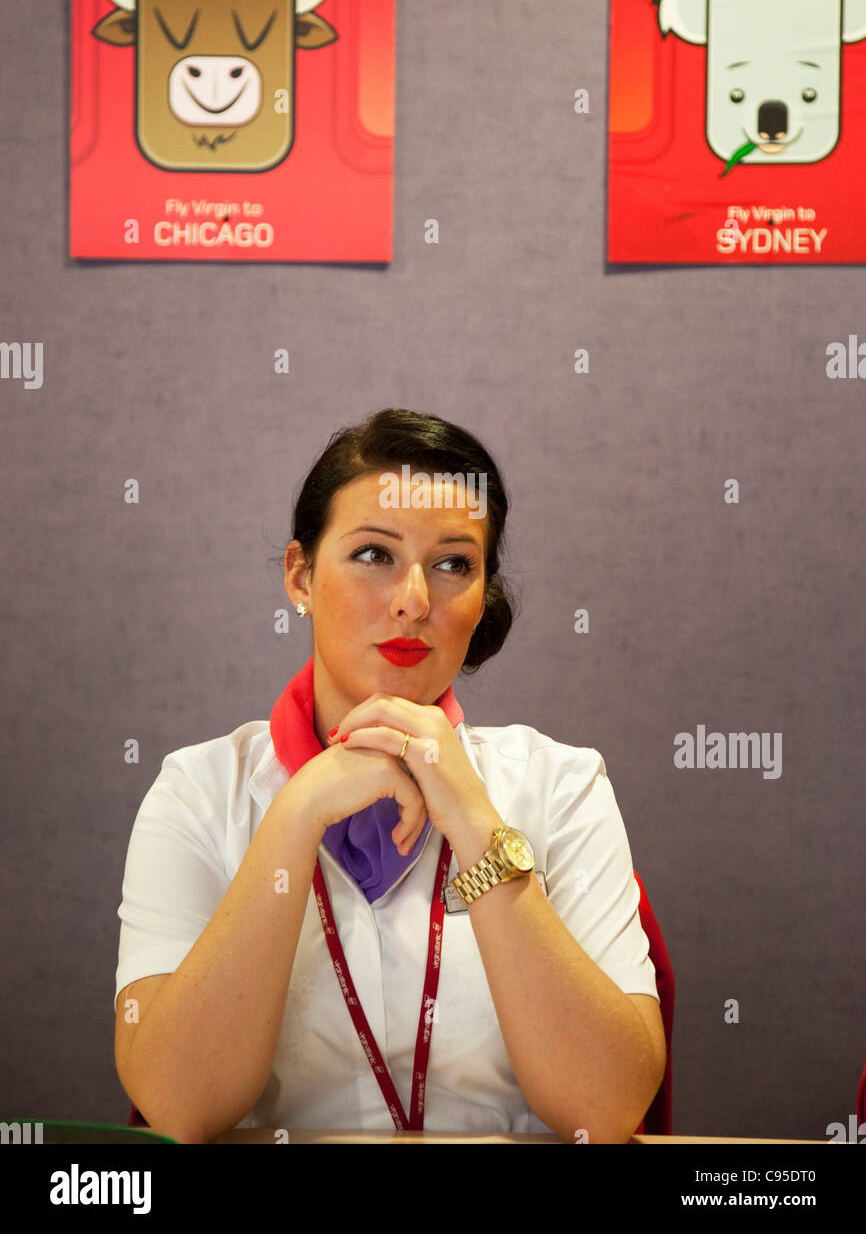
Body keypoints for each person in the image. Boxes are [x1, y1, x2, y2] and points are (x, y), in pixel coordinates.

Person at [114, 407, 665, 1143]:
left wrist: (476, 823)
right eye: (374, 554)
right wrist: (295, 813)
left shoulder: (562, 785)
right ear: (300, 575)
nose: (414, 599)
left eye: (453, 563)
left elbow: (607, 1109)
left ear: (480, 598)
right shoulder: (197, 790)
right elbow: (179, 1107)